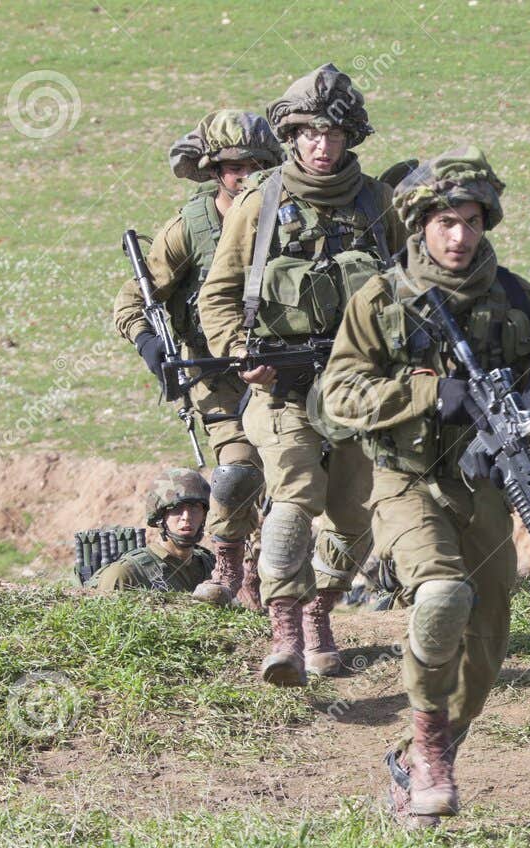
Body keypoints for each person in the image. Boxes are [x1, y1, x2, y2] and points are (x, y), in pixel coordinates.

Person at [320, 146, 530, 829]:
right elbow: (338, 394)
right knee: (440, 594)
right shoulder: (380, 298)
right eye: (444, 222)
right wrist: (428, 394)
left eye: (470, 221)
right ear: (420, 223)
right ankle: (430, 749)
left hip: (484, 490)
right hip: (404, 479)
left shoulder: (518, 299)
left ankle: (415, 757)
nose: (459, 237)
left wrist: (517, 447)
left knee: (484, 654)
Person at [198, 64, 407, 684]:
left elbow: (410, 290)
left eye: (334, 134)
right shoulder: (260, 201)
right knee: (293, 495)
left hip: (360, 387)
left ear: (351, 138)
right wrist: (240, 352)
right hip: (281, 387)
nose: (322, 145)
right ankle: (286, 628)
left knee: (353, 512)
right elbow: (218, 294)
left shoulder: (378, 202)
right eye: (310, 133)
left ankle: (320, 610)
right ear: (292, 135)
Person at [112, 110, 282, 609]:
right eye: (234, 167)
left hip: (281, 370)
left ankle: (265, 580)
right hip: (215, 376)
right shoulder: (193, 227)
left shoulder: (289, 215)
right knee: (237, 470)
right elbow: (131, 299)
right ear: (214, 171)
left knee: (289, 488)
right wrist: (152, 347)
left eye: (258, 165)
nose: (246, 175)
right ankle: (235, 574)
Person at [89, 469, 216, 594]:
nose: (186, 516)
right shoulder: (126, 573)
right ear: (160, 516)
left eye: (195, 508)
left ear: (205, 514)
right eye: (176, 508)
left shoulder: (214, 567)